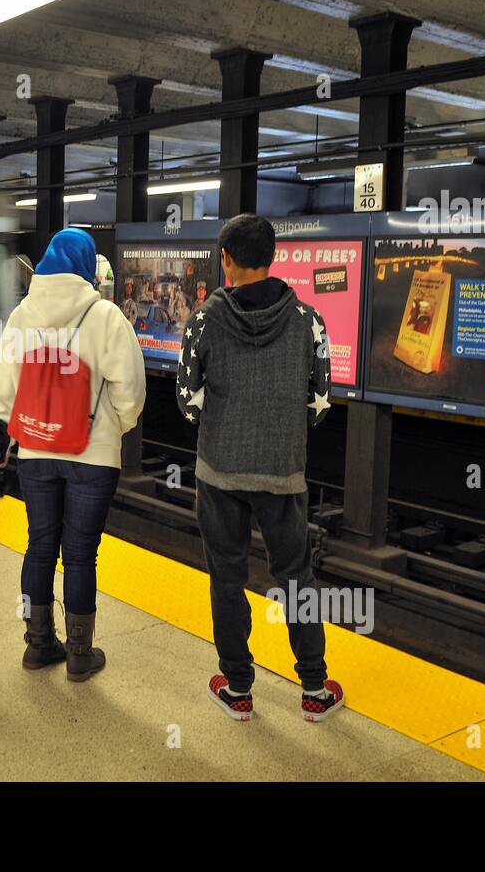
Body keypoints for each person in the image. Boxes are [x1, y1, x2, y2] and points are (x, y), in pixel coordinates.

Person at [176, 213, 344, 723]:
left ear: (226, 259)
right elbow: (320, 401)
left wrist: (227, 424)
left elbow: (188, 401)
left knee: (226, 577)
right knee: (297, 577)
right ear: (273, 258)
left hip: (219, 474)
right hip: (283, 473)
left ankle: (238, 687)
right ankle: (315, 688)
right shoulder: (308, 321)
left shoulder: (204, 319)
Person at [0, 228, 146, 681]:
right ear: (88, 266)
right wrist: (109, 427)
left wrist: (12, 433)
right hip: (92, 458)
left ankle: (37, 646)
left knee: (39, 546)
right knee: (80, 555)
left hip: (35, 450)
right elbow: (130, 392)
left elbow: (2, 392)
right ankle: (79, 654)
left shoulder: (20, 315)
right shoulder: (107, 316)